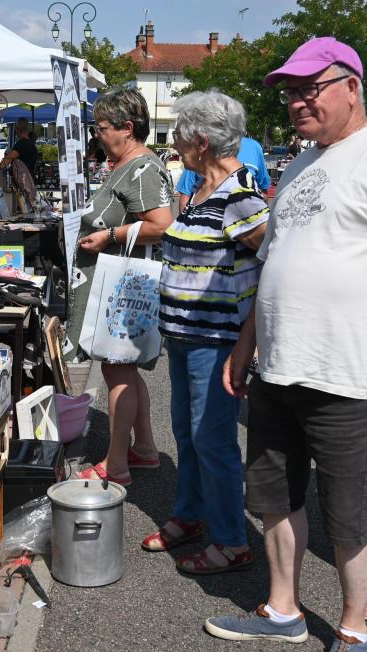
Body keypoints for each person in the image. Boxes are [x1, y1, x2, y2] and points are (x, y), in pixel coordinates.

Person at [206, 38, 367, 652]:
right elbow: (274, 264)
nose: (296, 102)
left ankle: (351, 629)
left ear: (351, 85)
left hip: (347, 374)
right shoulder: (299, 164)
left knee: (347, 512)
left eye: (308, 88)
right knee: (274, 496)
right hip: (278, 366)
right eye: (290, 92)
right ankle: (284, 610)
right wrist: (247, 343)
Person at [142, 91, 267, 575]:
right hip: (185, 336)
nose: (172, 139)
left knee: (213, 438)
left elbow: (274, 263)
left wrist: (246, 342)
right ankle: (189, 516)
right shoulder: (198, 190)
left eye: (176, 132)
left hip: (216, 343)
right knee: (187, 434)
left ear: (199, 140)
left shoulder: (239, 197)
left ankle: (232, 540)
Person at [70, 87, 175, 486]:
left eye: (102, 128)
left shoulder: (143, 168)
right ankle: (144, 449)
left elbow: (162, 225)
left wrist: (111, 234)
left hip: (122, 290)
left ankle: (116, 464)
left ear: (127, 129)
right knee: (124, 369)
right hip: (118, 287)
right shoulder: (126, 166)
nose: (97, 135)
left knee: (117, 371)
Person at [176, 138, 271, 212]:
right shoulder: (202, 147)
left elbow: (263, 190)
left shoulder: (253, 146)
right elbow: (186, 195)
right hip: (204, 225)